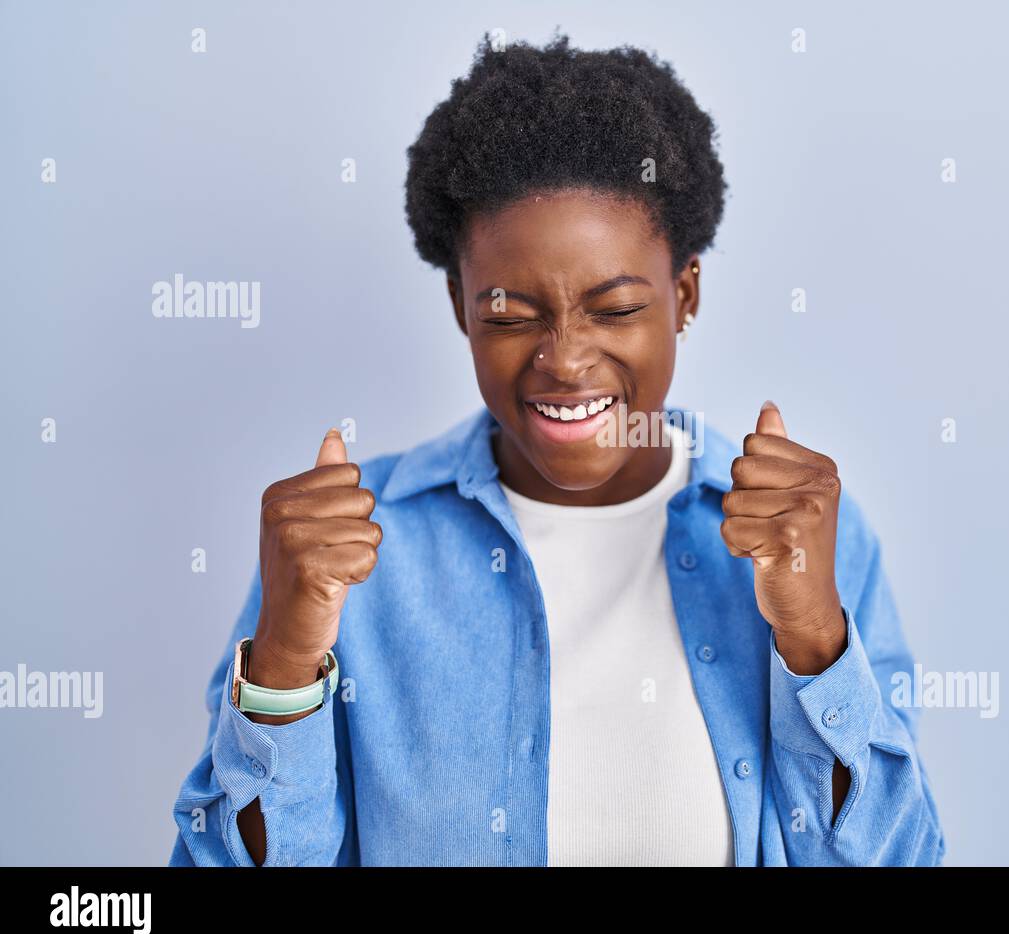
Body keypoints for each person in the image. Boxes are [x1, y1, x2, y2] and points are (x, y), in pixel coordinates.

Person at [169, 32, 944, 866]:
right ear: (461, 307)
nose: (565, 360)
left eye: (614, 309)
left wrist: (813, 640)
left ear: (684, 293)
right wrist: (286, 662)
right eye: (509, 314)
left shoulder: (810, 540)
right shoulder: (349, 556)